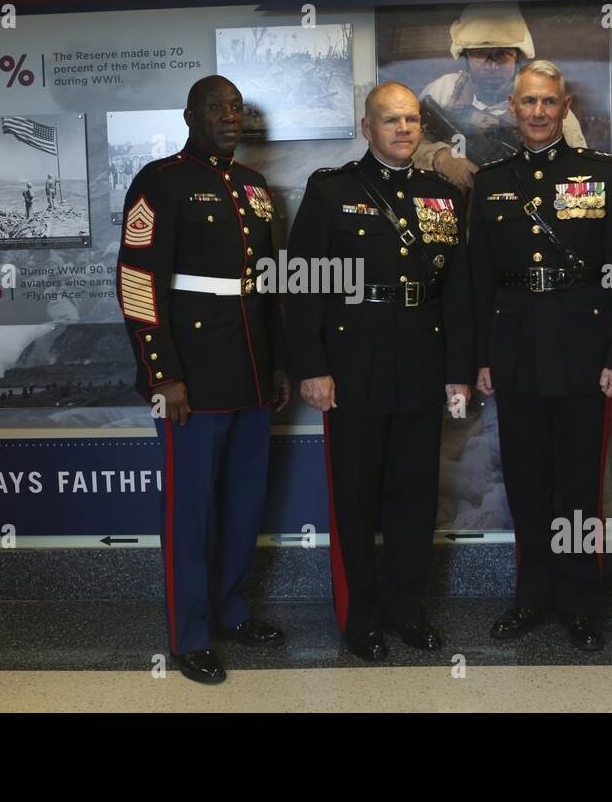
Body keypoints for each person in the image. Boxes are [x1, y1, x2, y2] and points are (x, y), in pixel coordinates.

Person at [286, 82, 473, 662]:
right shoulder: (332, 190)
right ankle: (359, 615)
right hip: (352, 362)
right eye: (390, 120)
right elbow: (302, 285)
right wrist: (312, 367)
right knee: (357, 496)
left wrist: (459, 371)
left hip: (422, 355)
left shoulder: (442, 195)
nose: (403, 129)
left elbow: (461, 291)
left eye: (412, 120)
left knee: (416, 496)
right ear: (367, 128)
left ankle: (406, 609)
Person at [115, 75, 291, 685]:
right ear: (190, 114)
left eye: (237, 107)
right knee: (190, 510)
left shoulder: (254, 186)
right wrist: (163, 376)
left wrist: (277, 364)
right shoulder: (160, 180)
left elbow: (269, 283)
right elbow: (138, 283)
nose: (229, 115)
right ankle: (189, 634)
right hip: (192, 374)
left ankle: (232, 611)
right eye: (216, 107)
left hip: (250, 372)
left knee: (244, 504)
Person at [469, 60, 612, 651]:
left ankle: (580, 601)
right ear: (512, 109)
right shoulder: (492, 181)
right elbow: (479, 278)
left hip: (585, 352)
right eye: (528, 103)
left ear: (565, 105)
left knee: (578, 484)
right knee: (524, 480)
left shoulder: (604, 174)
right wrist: (482, 356)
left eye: (549, 102)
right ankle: (531, 596)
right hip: (515, 351)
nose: (539, 113)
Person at [411, 3, 587, 192]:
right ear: (466, 58)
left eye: (501, 55)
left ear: (517, 59)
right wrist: (439, 157)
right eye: (480, 54)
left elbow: (577, 171)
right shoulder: (443, 91)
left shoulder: (548, 110)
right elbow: (406, 145)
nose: (492, 66)